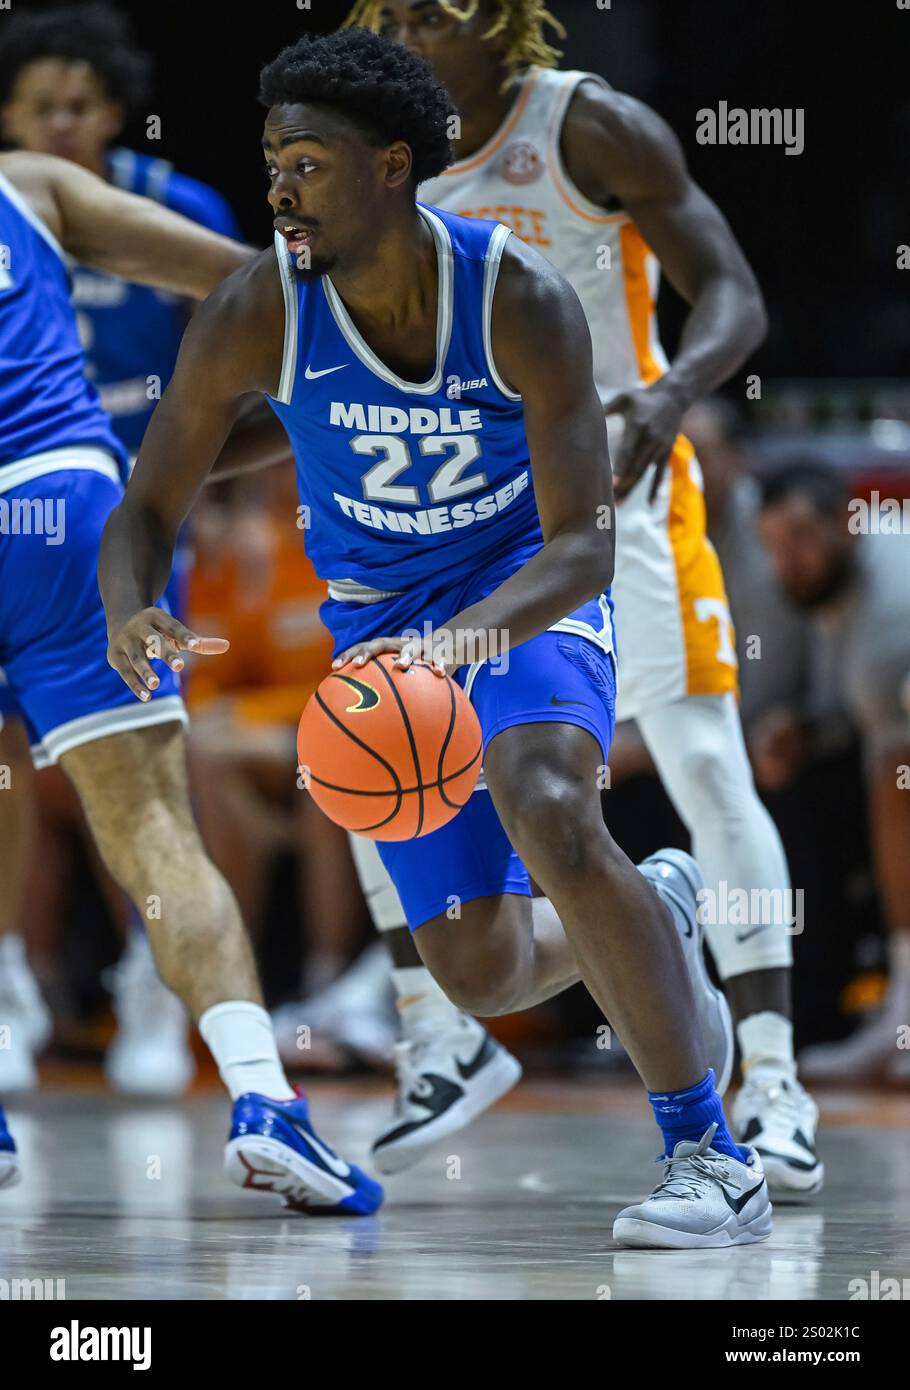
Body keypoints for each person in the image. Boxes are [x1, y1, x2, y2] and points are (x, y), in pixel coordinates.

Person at [99, 28, 771, 1249]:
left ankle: (708, 1153)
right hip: (378, 632)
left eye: (305, 162)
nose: (280, 188)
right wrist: (131, 602)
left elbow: (582, 542)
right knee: (481, 971)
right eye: (271, 164)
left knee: (551, 804)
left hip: (517, 587)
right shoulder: (259, 307)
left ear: (393, 165)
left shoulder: (519, 297)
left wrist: (460, 644)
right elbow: (146, 506)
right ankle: (662, 920)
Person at [316, 0, 823, 1196]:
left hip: (628, 493)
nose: (404, 28)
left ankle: (774, 1075)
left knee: (702, 758)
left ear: (504, 20)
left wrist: (672, 391)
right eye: (385, 12)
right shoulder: (387, 158)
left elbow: (735, 295)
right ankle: (438, 1033)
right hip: (473, 520)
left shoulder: (589, 127)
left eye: (429, 10)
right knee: (371, 741)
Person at [0, 147, 381, 1215]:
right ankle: (264, 1099)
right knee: (157, 828)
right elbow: (259, 279)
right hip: (67, 503)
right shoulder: (30, 186)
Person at [0, 2, 241, 1096]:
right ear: (11, 113)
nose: (61, 122)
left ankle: (153, 986)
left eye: (80, 105)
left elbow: (239, 341)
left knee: (136, 781)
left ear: (111, 112)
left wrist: (215, 475)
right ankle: (18, 984)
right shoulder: (32, 199)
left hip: (137, 514)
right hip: (73, 498)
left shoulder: (165, 206)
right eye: (40, 105)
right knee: (37, 774)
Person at [756, 462, 910, 1083]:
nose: (788, 561)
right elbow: (861, 713)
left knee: (895, 770)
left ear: (847, 524)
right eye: (774, 547)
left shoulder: (891, 599)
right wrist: (808, 728)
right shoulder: (841, 599)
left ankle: (903, 1009)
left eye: (800, 539)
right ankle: (885, 1009)